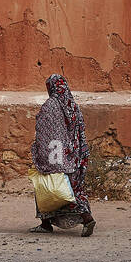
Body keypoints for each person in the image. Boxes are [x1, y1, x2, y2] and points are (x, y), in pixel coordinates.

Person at [31, 74, 95, 237]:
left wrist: (40, 154)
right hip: (74, 157)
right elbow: (80, 132)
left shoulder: (50, 105)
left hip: (54, 157)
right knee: (73, 190)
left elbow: (43, 133)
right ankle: (87, 219)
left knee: (46, 189)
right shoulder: (72, 105)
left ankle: (46, 224)